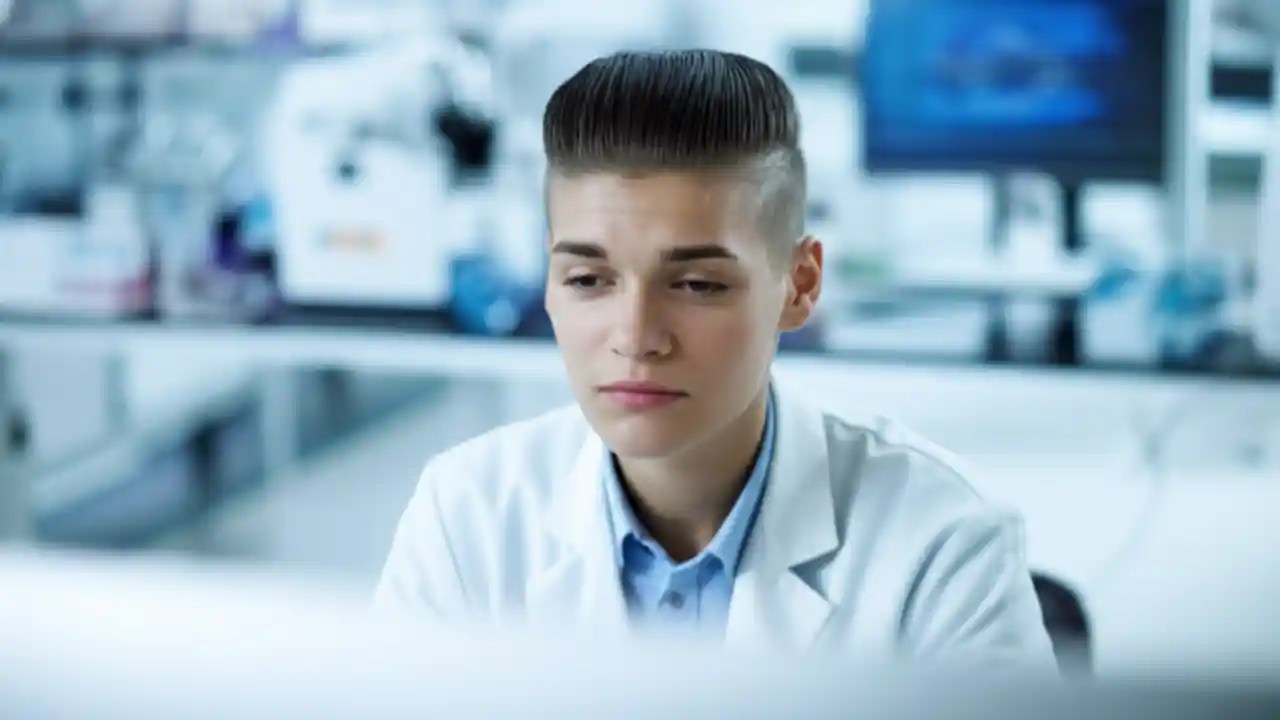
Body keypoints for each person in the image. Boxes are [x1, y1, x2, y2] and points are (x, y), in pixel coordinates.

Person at [376, 49, 1054, 667]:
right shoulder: (466, 515)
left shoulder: (941, 541)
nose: (636, 336)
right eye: (588, 280)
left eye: (697, 284)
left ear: (799, 286)